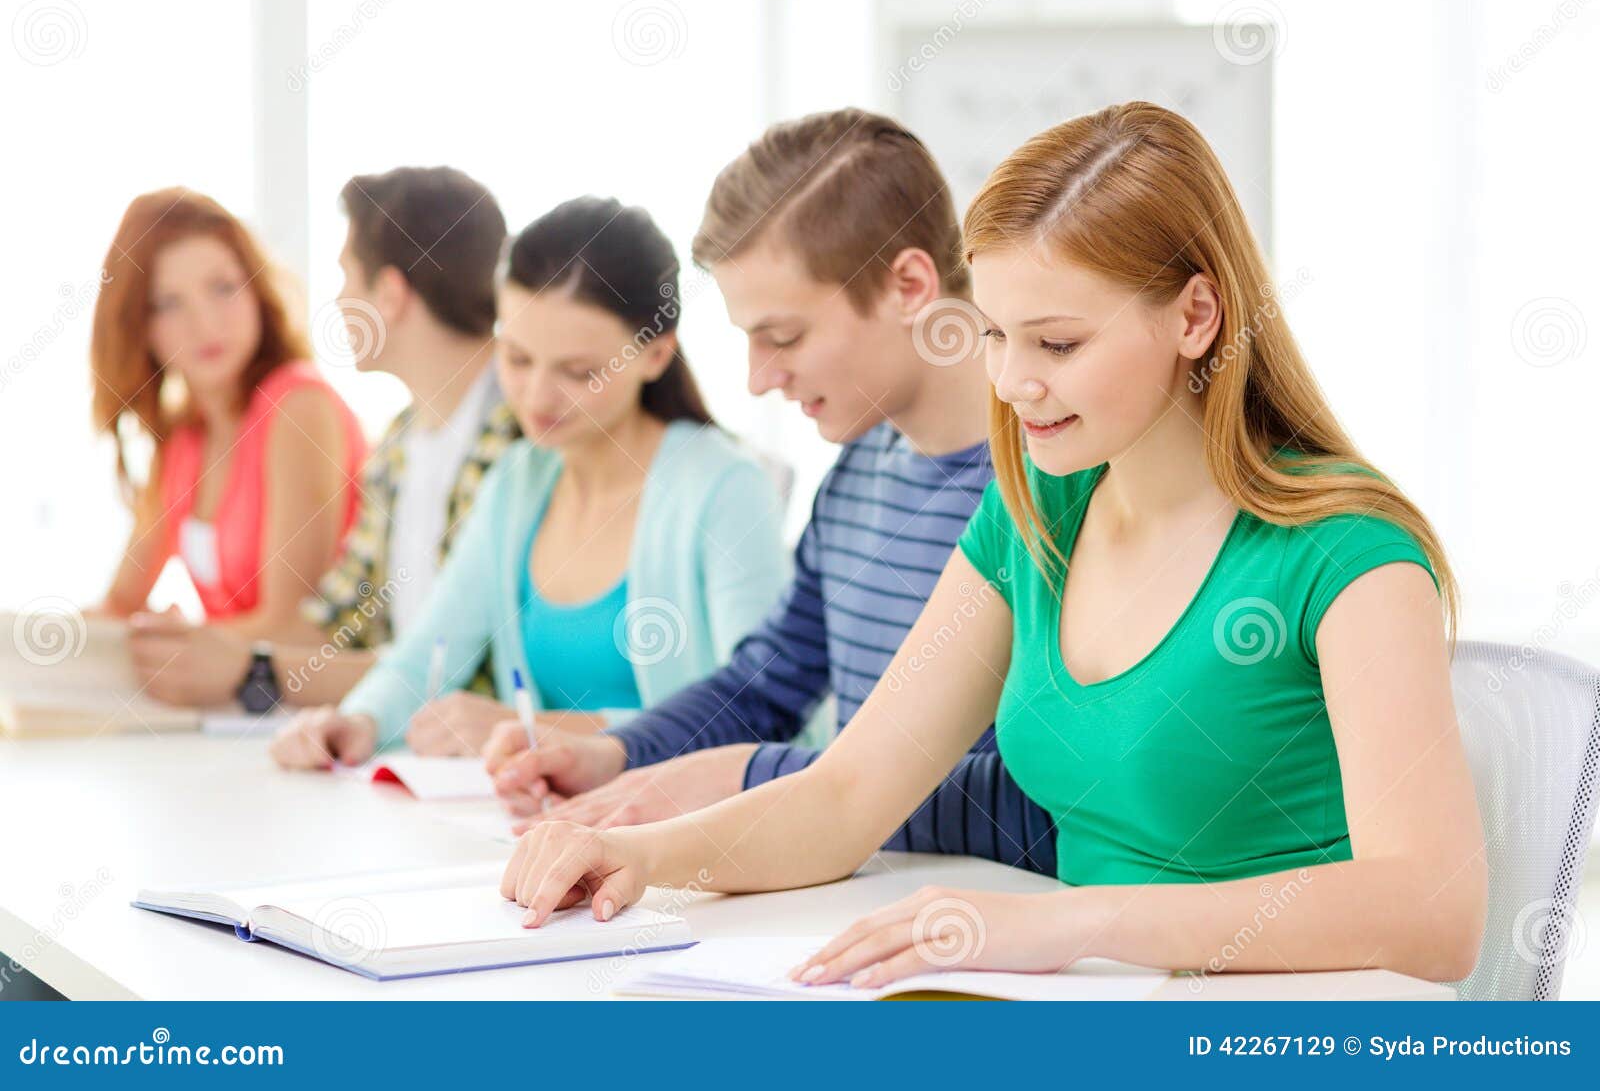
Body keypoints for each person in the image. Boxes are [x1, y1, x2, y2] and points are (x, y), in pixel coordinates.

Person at [498, 103, 1488, 988]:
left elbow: (1435, 920)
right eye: (999, 339)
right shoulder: (1033, 515)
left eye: (1056, 345)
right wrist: (642, 855)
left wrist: (1078, 921)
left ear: (1195, 316)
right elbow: (848, 792)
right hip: (1098, 999)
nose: (1012, 385)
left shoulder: (1348, 553)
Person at [486, 109, 1056, 874]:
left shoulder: (1055, 482)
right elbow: (771, 680)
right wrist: (617, 753)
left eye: (783, 338)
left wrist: (747, 779)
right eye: (748, 341)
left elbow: (1052, 803)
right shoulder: (858, 471)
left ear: (910, 285)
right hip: (861, 906)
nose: (759, 378)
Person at [269, 196, 788, 767]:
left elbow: (753, 713)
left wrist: (539, 728)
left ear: (656, 355)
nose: (538, 398)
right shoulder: (517, 483)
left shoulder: (726, 488)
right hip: (553, 824)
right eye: (516, 359)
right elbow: (425, 658)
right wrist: (357, 722)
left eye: (578, 372)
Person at [127, 167, 524, 728]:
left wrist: (252, 668)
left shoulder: (526, 437)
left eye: (347, 278)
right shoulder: (399, 446)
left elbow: (461, 671)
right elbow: (337, 621)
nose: (337, 300)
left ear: (389, 294)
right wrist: (218, 655)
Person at [92, 188, 364, 634]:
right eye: (168, 303)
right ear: (138, 327)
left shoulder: (299, 407)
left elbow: (292, 627)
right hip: (234, 703)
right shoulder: (183, 441)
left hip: (309, 698)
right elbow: (119, 603)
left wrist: (175, 641)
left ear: (255, 288)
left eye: (223, 288)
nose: (206, 324)